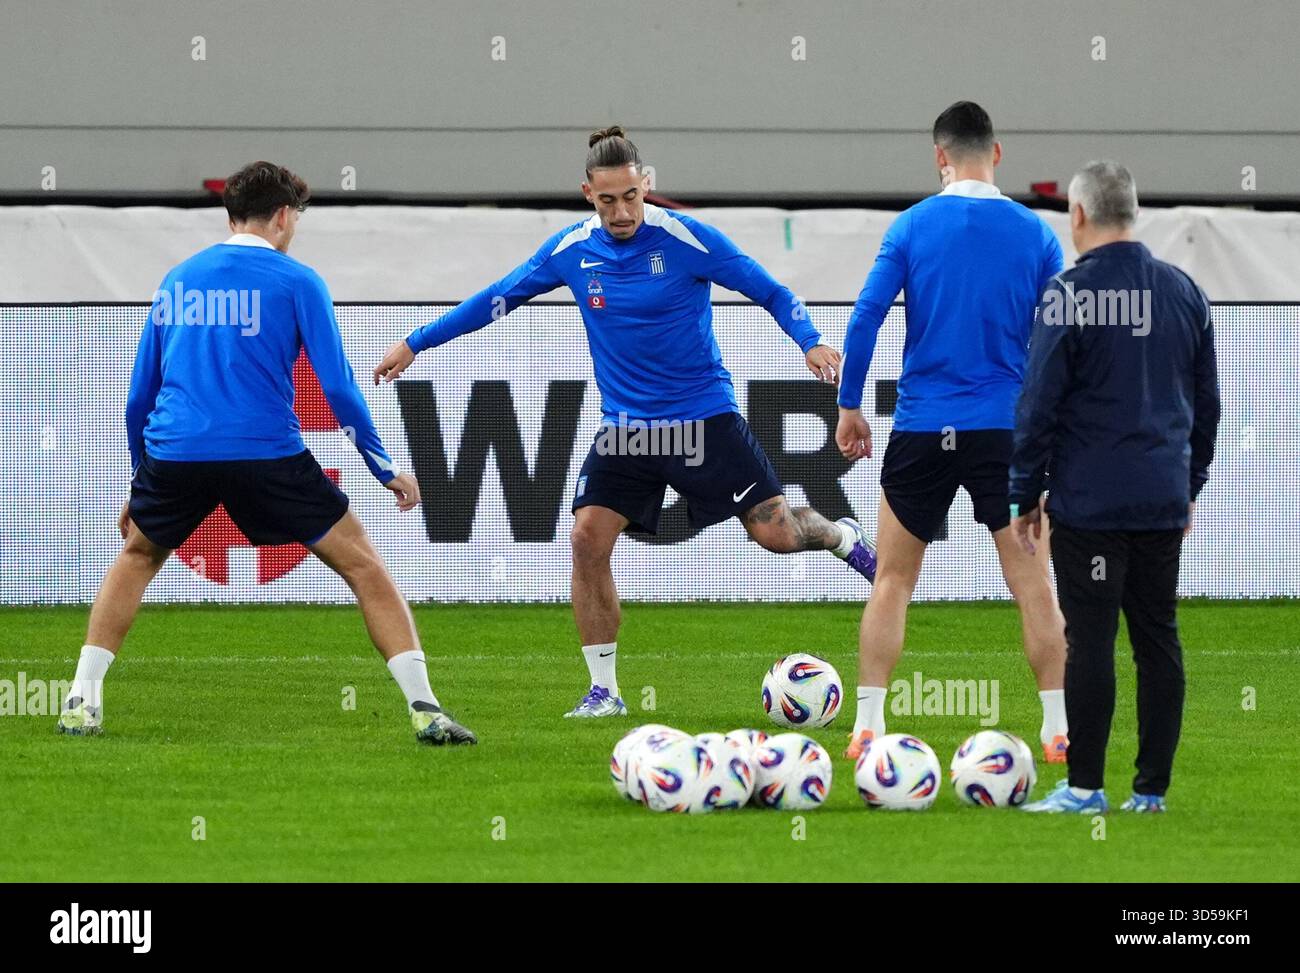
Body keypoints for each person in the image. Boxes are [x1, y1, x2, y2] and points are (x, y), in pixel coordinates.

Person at [373, 126, 878, 719]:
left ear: (647, 186)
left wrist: (812, 343)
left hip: (704, 419)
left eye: (631, 196)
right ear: (588, 193)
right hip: (628, 430)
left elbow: (770, 291)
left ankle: (841, 534)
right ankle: (604, 691)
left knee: (777, 536)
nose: (621, 210)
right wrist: (417, 341)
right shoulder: (571, 250)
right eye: (608, 199)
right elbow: (496, 299)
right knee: (587, 539)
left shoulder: (686, 239)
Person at [57, 161, 476, 746]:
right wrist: (383, 467)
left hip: (177, 453)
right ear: (283, 216)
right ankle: (426, 709)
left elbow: (138, 396)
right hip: (266, 453)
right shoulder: (297, 281)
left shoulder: (176, 280)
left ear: (232, 216)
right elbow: (337, 387)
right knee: (364, 567)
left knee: (136, 559)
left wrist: (138, 479)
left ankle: (81, 701)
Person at [835, 101, 1069, 762]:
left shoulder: (911, 227)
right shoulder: (1036, 234)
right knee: (1033, 582)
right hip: (1007, 433)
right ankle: (1057, 729)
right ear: (997, 154)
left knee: (892, 581)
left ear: (939, 157)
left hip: (922, 426)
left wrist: (850, 405)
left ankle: (868, 726)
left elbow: (865, 319)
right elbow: (1061, 339)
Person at [1014, 161, 1220, 814]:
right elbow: (1207, 406)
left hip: (1091, 502)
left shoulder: (1068, 294)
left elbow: (1038, 401)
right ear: (1132, 211)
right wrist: (1188, 485)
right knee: (1158, 636)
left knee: (1092, 639)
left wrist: (1025, 491)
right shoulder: (1184, 291)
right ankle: (1151, 791)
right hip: (1160, 499)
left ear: (1077, 216)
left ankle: (1084, 787)